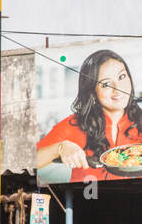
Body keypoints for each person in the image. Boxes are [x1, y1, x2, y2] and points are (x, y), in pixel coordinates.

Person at [36, 49, 142, 182]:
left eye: (122, 77)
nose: (118, 88)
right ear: (92, 91)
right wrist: (60, 148)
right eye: (106, 84)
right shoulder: (74, 125)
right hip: (87, 200)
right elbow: (31, 161)